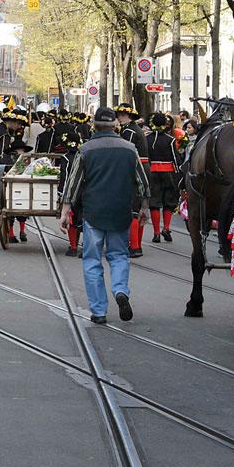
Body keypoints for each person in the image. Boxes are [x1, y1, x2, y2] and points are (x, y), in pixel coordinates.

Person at [64, 108, 141, 323]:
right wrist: (144, 206)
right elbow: (142, 181)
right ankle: (120, 291)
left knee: (92, 260)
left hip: (94, 212)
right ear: (115, 125)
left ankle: (98, 311)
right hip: (121, 210)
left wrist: (64, 211)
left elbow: (73, 183)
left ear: (94, 125)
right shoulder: (129, 149)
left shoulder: (85, 149)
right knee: (118, 255)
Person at [140, 112, 182, 250]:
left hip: (152, 172)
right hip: (168, 172)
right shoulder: (170, 140)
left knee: (155, 202)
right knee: (169, 201)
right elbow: (175, 159)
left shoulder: (147, 139)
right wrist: (179, 173)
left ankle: (156, 232)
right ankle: (167, 228)